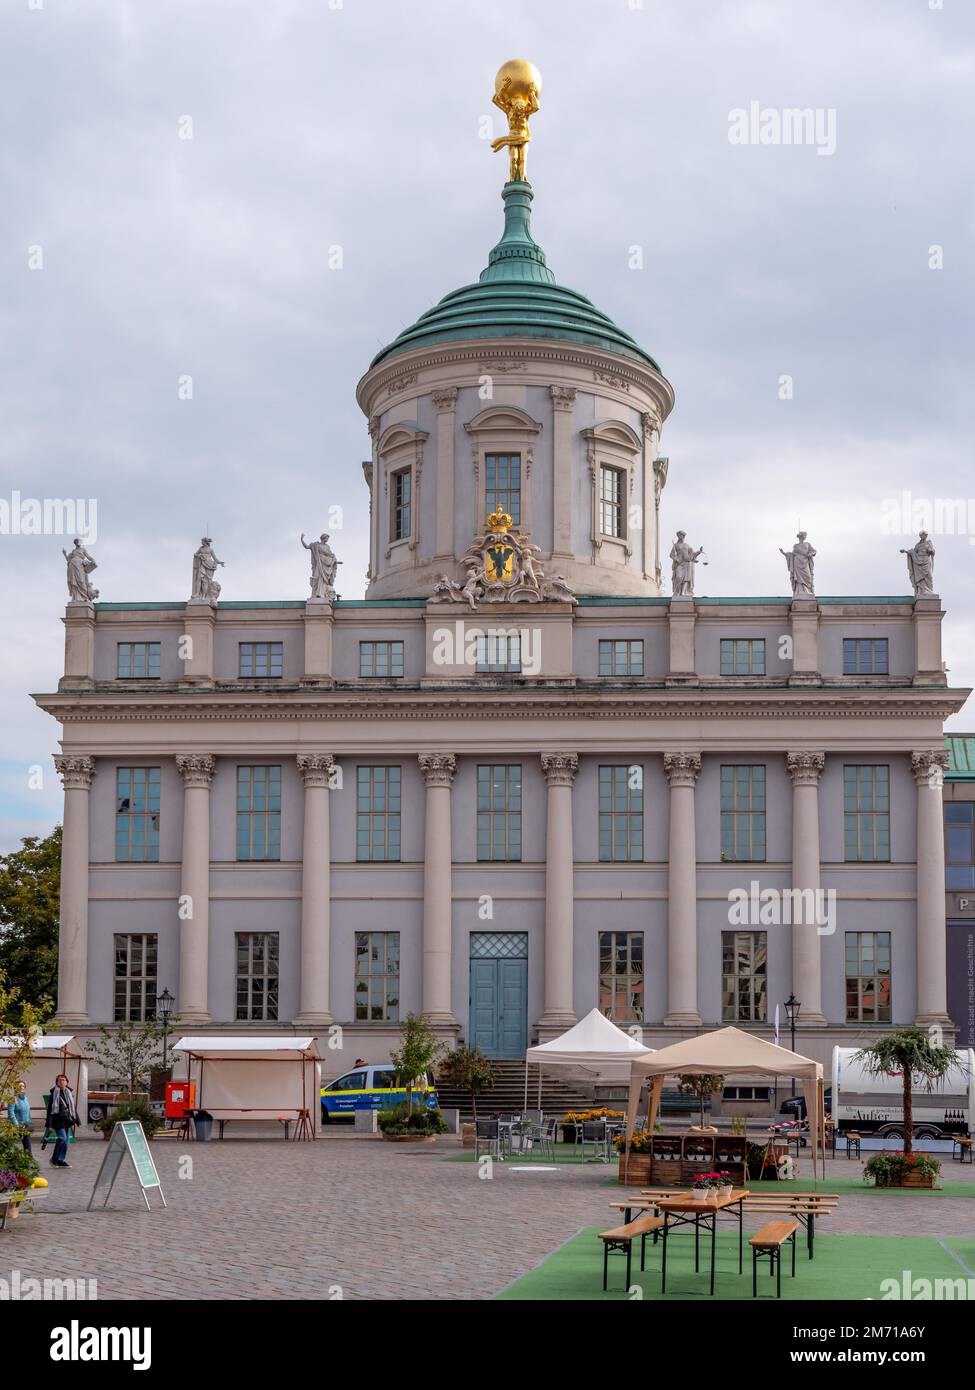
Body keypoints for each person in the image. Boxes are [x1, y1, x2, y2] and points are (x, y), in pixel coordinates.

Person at [46, 1073, 79, 1169]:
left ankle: (61, 1160)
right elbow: (49, 1110)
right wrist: (49, 1124)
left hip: (67, 1121)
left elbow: (71, 1108)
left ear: (67, 1082)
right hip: (58, 1120)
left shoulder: (68, 1093)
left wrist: (77, 1120)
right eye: (59, 1080)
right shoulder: (54, 1094)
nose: (61, 1081)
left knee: (66, 1142)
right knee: (62, 1138)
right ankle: (54, 1158)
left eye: (63, 1080)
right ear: (56, 1083)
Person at [7, 1080, 33, 1155]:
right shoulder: (13, 1099)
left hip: (26, 1125)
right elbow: (11, 1113)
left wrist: (29, 1122)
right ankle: (10, 1160)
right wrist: (16, 1126)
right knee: (11, 1145)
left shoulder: (25, 1098)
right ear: (15, 1088)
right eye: (19, 1086)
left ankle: (29, 1161)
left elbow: (28, 1112)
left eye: (23, 1086)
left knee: (27, 1145)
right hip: (16, 1126)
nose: (21, 1087)